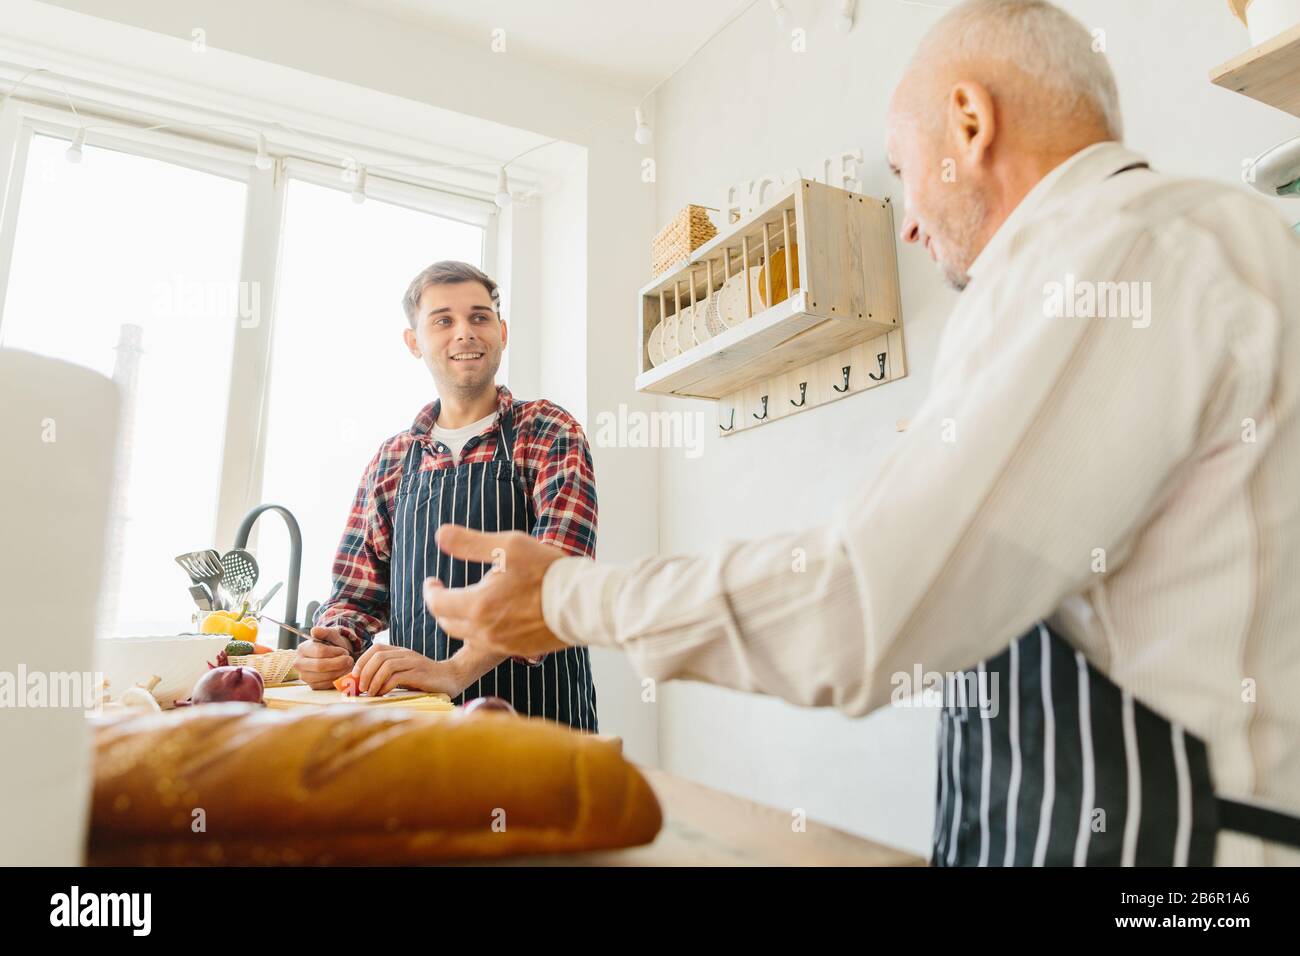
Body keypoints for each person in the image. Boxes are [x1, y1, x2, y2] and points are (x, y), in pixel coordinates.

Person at [423, 1, 1300, 864]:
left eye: (901, 166)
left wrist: (567, 598)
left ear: (970, 120)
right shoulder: (1143, 248)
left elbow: (867, 601)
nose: (909, 218)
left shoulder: (1127, 249)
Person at [297, 260, 599, 730]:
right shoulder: (392, 459)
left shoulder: (546, 430)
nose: (465, 333)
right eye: (443, 321)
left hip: (539, 724)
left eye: (479, 317)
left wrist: (455, 671)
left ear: (501, 331)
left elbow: (555, 582)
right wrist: (333, 645)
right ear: (413, 342)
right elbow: (356, 597)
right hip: (422, 726)